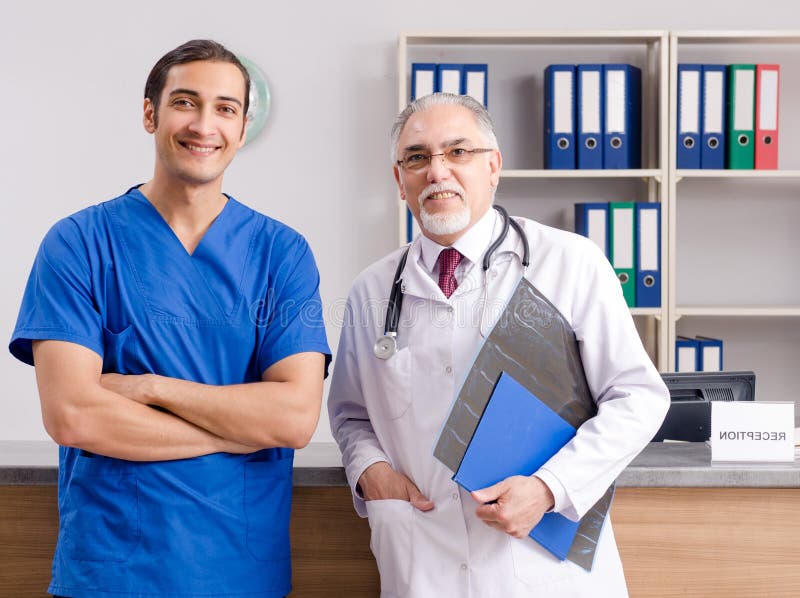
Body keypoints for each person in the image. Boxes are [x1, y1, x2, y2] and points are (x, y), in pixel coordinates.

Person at [9, 39, 330, 598]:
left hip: (240, 572)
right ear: (150, 113)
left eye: (226, 108)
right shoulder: (79, 244)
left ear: (243, 127)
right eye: (185, 102)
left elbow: (294, 418)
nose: (204, 124)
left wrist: (150, 388)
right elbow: (73, 415)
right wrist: (237, 434)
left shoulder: (282, 254)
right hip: (113, 572)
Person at [328, 92, 669, 597]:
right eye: (417, 158)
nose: (437, 171)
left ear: (493, 167)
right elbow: (351, 415)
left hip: (543, 568)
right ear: (400, 181)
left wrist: (550, 488)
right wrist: (371, 472)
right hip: (422, 563)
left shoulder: (568, 262)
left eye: (458, 151)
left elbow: (638, 397)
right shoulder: (372, 290)